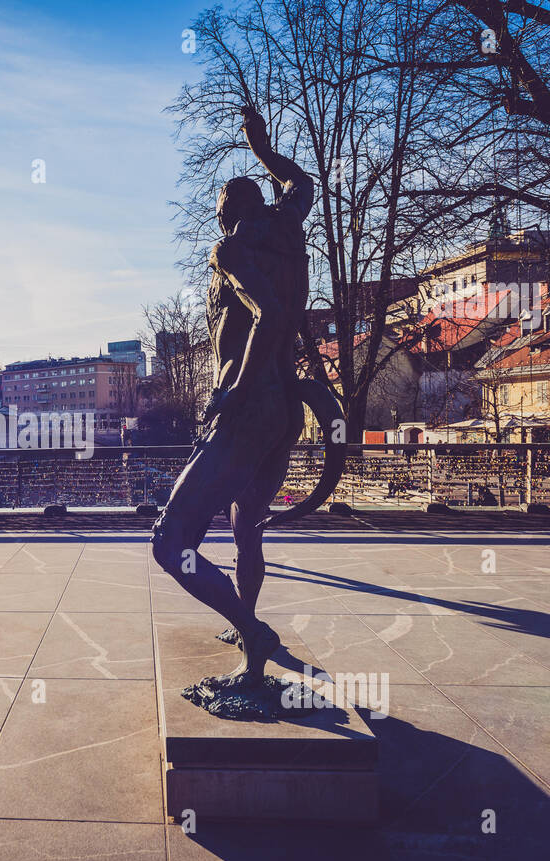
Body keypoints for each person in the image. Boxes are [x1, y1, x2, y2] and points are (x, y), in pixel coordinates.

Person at [151, 103, 316, 701]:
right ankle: (249, 642)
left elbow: (268, 315)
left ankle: (252, 632)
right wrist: (264, 147)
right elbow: (301, 184)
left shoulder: (230, 252)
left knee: (171, 542)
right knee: (247, 526)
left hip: (248, 411)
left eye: (219, 207)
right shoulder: (288, 227)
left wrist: (233, 392)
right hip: (285, 413)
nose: (218, 216)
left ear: (226, 213)